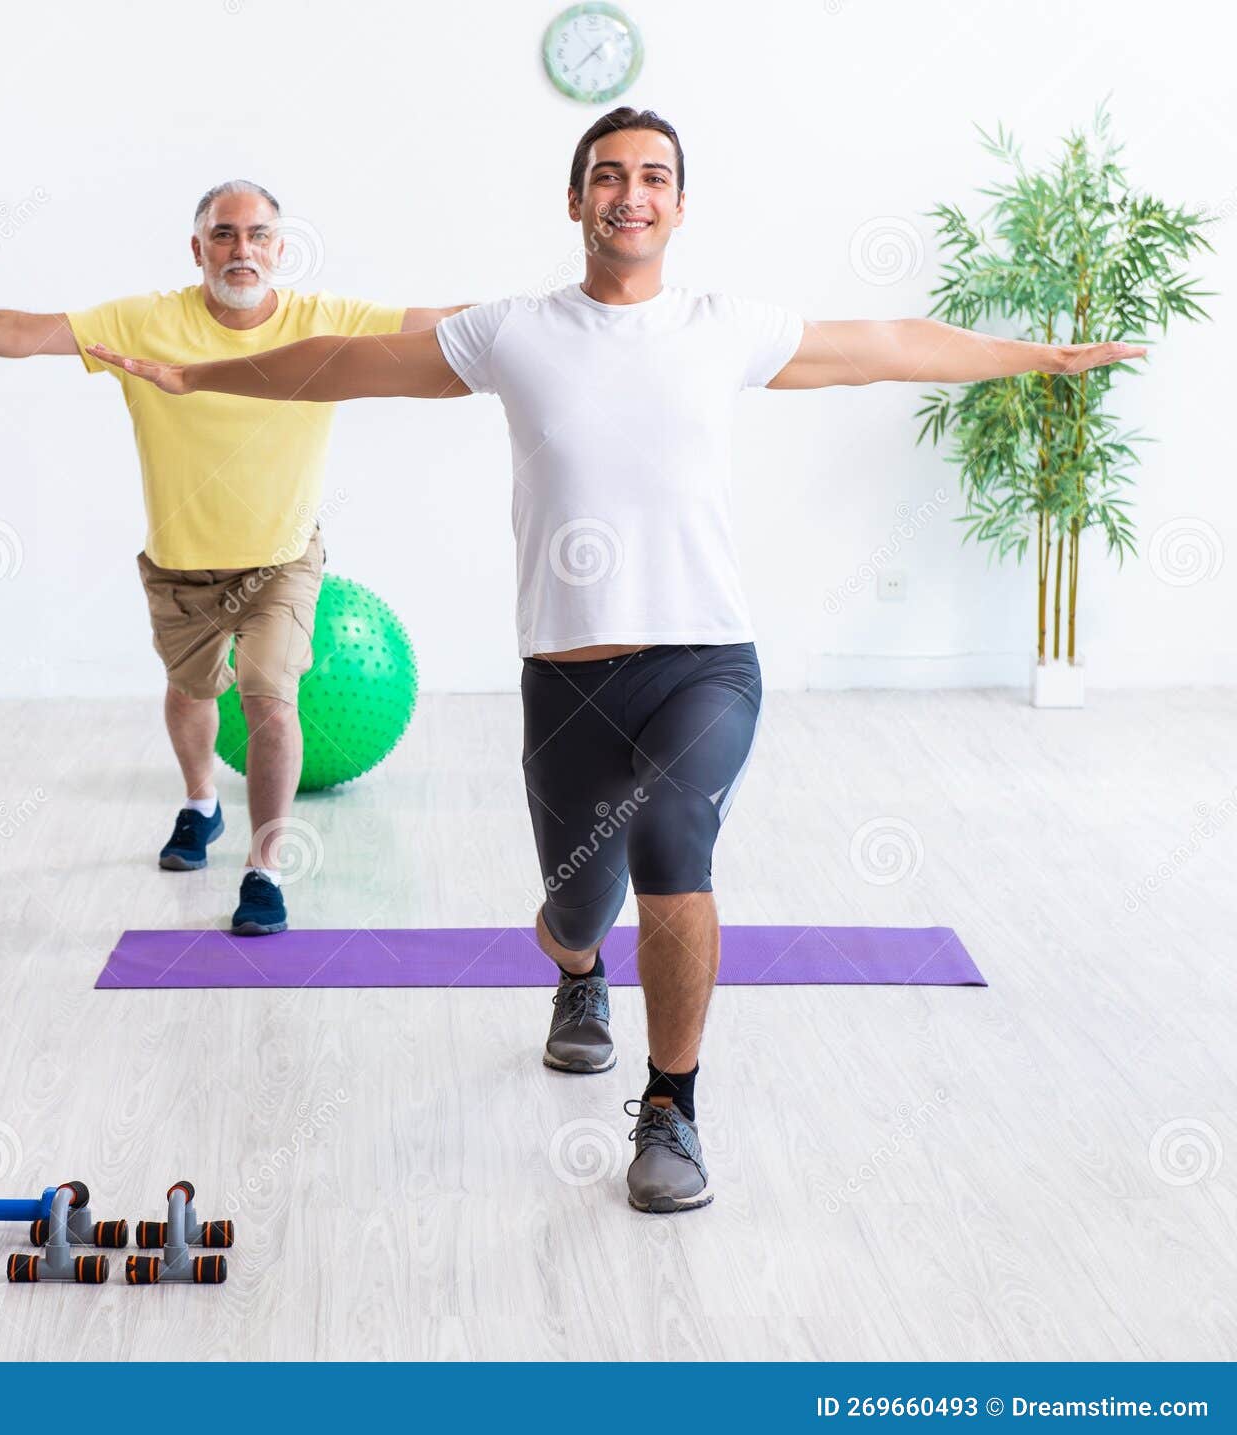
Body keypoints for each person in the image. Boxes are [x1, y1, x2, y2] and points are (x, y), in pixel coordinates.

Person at [80, 108, 1146, 1212]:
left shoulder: (723, 326)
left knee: (674, 846)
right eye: (606, 175)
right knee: (574, 915)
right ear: (575, 198)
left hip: (705, 664)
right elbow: (345, 362)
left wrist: (1039, 359)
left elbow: (883, 345)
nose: (629, 193)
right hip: (567, 682)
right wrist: (200, 376)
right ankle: (576, 979)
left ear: (679, 205)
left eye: (651, 177)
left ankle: (671, 1108)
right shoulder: (511, 331)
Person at [0, 179, 467, 935]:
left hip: (281, 560)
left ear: (281, 248)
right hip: (180, 564)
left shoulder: (327, 321)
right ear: (197, 248)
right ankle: (200, 803)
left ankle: (265, 869)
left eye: (256, 235)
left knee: (270, 700)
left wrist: (572, 307)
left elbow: (441, 323)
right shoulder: (147, 322)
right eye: (222, 234)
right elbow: (22, 331)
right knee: (191, 693)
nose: (240, 250)